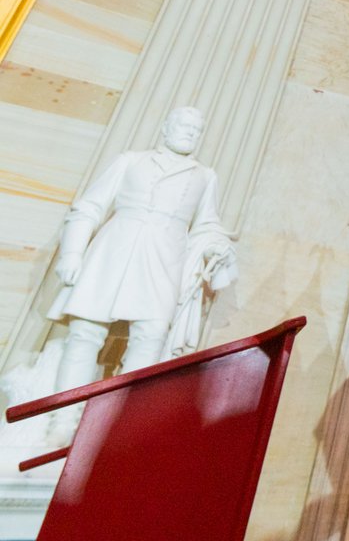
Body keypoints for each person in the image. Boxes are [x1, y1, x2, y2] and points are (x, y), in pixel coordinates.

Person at [46, 106, 236, 441]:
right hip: (112, 253)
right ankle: (61, 422)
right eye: (184, 126)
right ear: (166, 127)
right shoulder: (130, 160)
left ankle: (116, 429)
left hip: (163, 260)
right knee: (85, 333)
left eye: (197, 130)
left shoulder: (204, 176)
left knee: (150, 338)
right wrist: (73, 253)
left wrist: (214, 247)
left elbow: (207, 223)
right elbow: (88, 207)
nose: (190, 133)